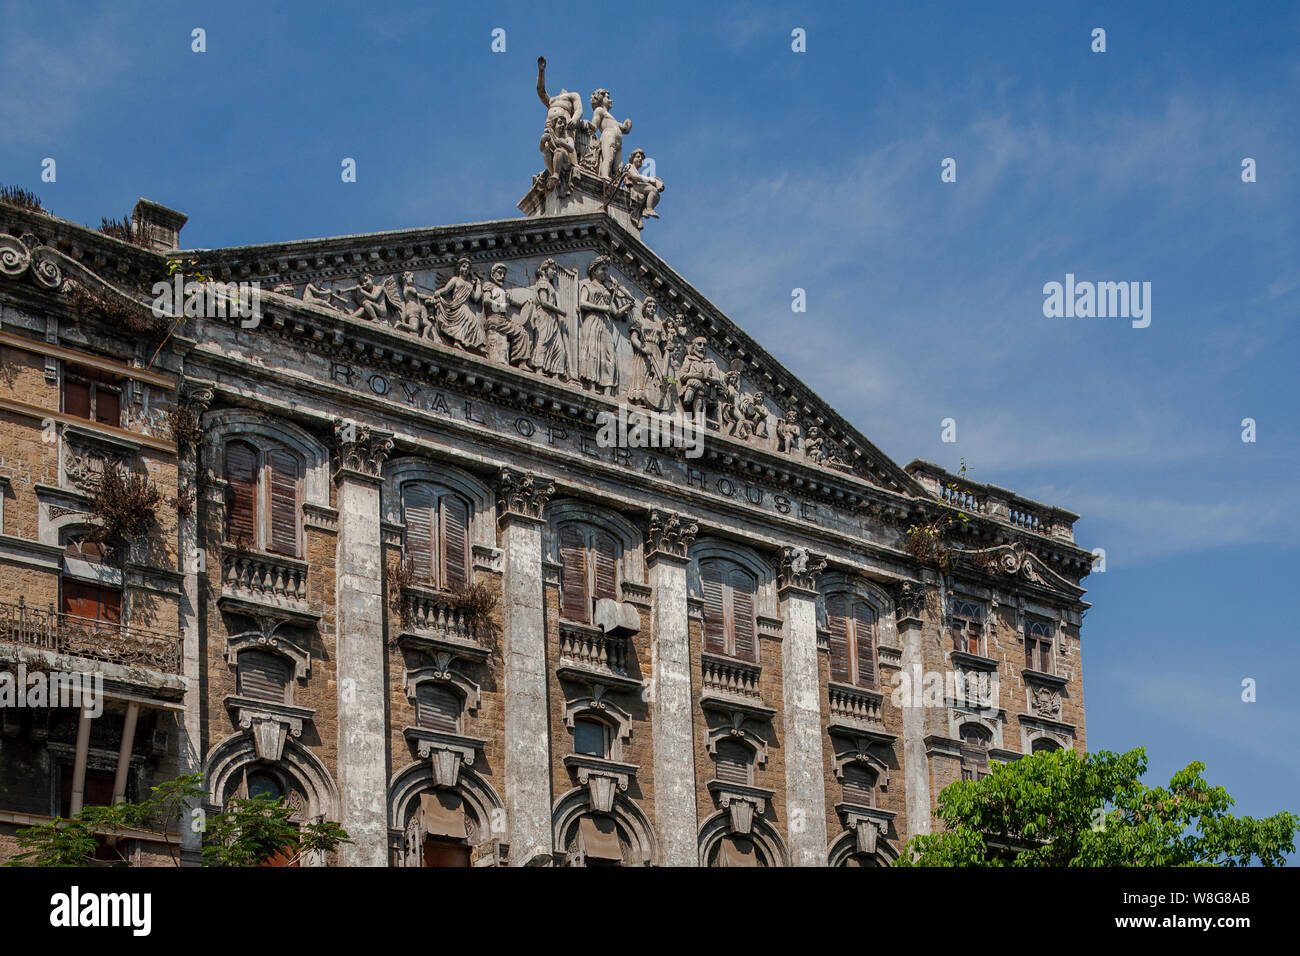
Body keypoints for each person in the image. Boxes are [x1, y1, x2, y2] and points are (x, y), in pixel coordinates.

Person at [432, 258, 486, 353]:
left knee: (475, 322)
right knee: (468, 318)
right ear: (459, 268)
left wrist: (478, 284)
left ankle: (479, 345)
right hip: (457, 306)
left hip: (465, 306)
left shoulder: (469, 285)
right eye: (464, 266)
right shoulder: (455, 280)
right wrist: (439, 292)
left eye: (468, 268)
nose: (466, 269)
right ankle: (458, 341)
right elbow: (446, 290)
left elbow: (476, 298)